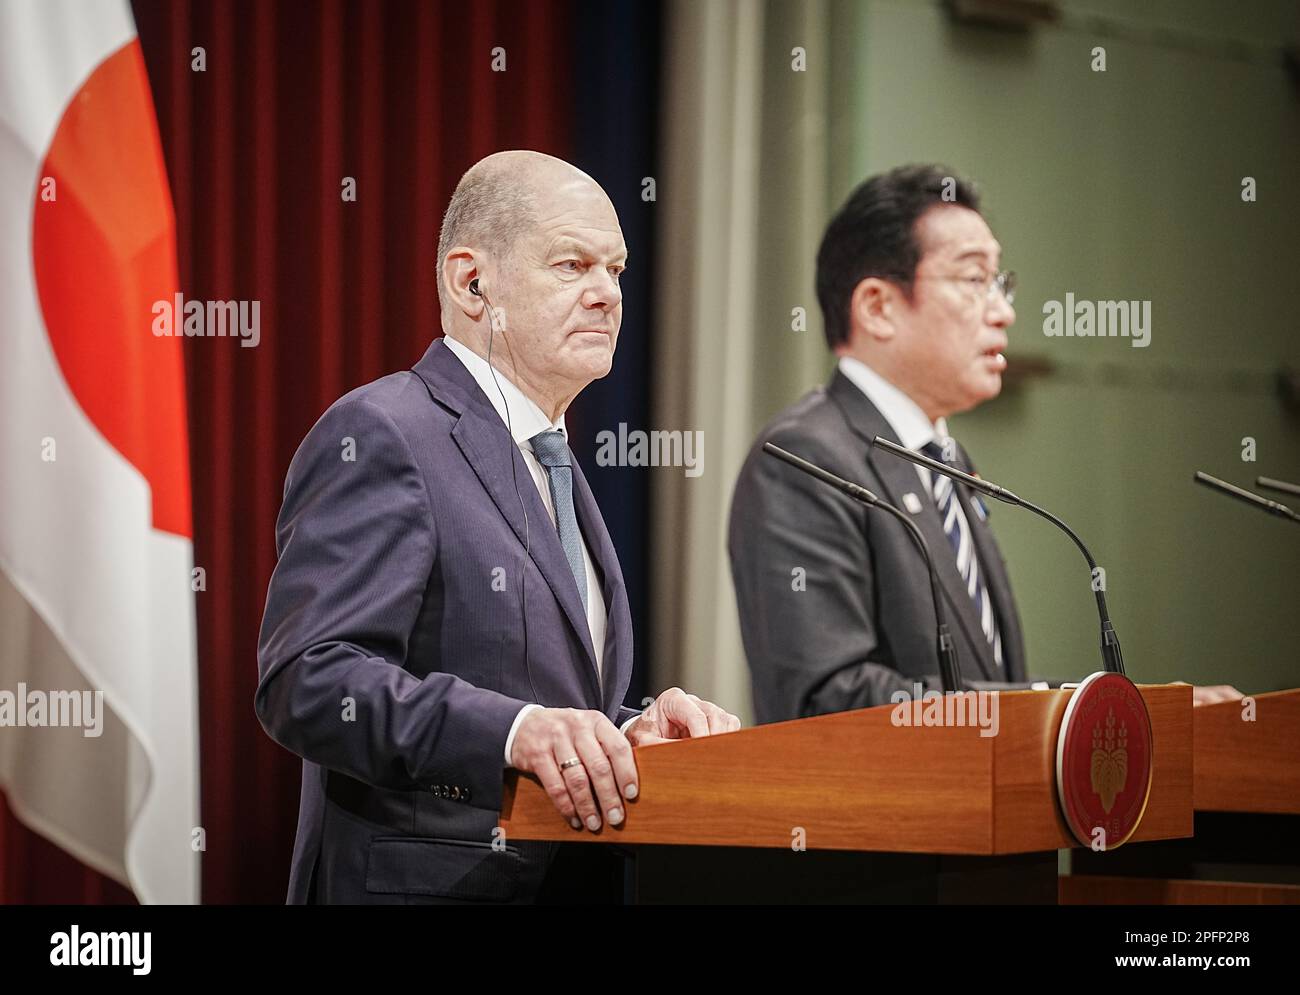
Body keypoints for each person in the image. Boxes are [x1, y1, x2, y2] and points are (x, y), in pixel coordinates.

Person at [256, 150, 739, 904]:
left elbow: (534, 689)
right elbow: (308, 680)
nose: (607, 294)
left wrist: (626, 731)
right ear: (471, 282)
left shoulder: (555, 461)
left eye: (615, 269)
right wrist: (514, 733)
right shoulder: (386, 430)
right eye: (573, 264)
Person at [728, 164, 1240, 722]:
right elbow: (830, 699)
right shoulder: (807, 460)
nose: (1003, 311)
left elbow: (981, 683)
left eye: (1001, 283)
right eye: (974, 281)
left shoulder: (944, 461)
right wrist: (1083, 709)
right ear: (878, 307)